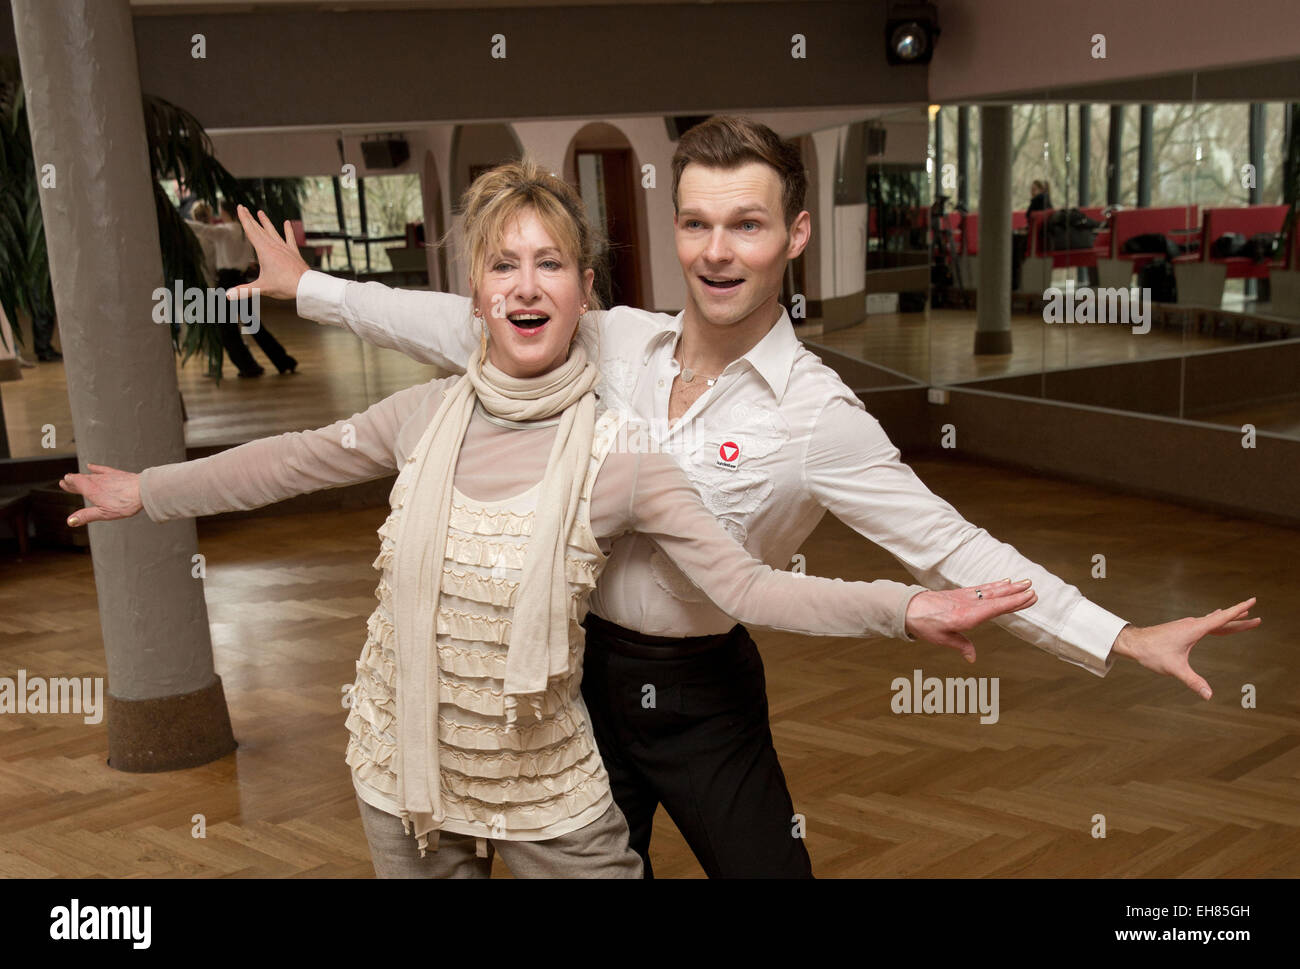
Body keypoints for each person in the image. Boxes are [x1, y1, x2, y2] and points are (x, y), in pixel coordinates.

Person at [229, 117, 1260, 878]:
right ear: (674, 231)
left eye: (747, 225)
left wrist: (1116, 636)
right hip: (568, 676)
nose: (717, 251)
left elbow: (949, 544)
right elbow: (459, 323)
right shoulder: (611, 335)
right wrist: (309, 291)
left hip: (701, 695)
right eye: (697, 223)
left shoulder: (819, 415)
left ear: (795, 234)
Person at [60, 159, 1034, 879]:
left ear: (583, 293)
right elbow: (286, 464)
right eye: (503, 265)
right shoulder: (420, 417)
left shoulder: (625, 458)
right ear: (477, 295)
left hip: (546, 779)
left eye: (551, 264)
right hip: (402, 769)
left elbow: (747, 586)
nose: (526, 284)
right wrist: (150, 492)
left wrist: (904, 610)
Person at [186, 199, 298, 377]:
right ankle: (284, 361)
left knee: (227, 329)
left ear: (224, 212)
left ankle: (249, 367)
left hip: (227, 282)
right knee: (253, 325)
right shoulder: (245, 234)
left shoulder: (225, 232)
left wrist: (179, 220)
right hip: (242, 280)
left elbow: (202, 229)